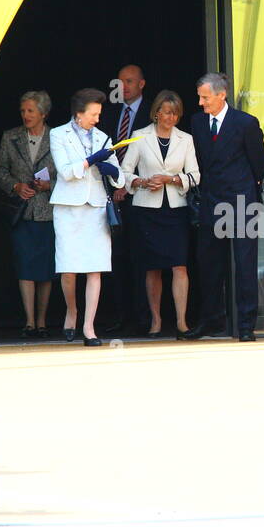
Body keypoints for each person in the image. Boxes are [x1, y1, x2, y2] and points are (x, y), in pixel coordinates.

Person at [184, 72, 264, 342]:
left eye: (205, 97)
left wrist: (250, 192)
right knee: (208, 266)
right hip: (210, 201)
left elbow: (259, 162)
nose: (200, 102)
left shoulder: (245, 123)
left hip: (242, 202)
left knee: (245, 265)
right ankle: (210, 321)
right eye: (199, 97)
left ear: (222, 95)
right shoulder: (197, 123)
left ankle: (246, 326)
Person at [120, 90, 200, 337]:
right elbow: (124, 173)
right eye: (166, 112)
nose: (170, 117)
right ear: (156, 113)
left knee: (179, 266)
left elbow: (195, 175)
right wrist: (143, 183)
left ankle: (181, 322)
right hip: (147, 210)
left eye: (175, 113)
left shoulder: (185, 139)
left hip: (176, 211)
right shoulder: (139, 136)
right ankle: (155, 320)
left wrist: (172, 179)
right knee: (152, 267)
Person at [49, 87, 124, 346]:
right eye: (93, 114)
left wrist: (112, 171)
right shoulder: (58, 134)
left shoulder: (103, 137)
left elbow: (120, 174)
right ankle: (72, 311)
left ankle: (89, 327)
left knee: (96, 268)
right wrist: (90, 160)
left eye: (99, 114)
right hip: (68, 207)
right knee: (68, 268)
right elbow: (65, 171)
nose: (97, 119)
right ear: (78, 114)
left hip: (96, 207)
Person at [0, 90, 56, 338]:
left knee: (46, 268)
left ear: (43, 113)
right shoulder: (11, 137)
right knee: (26, 267)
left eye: (30, 111)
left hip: (48, 210)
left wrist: (50, 185)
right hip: (22, 212)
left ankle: (42, 321)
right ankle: (30, 321)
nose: (26, 115)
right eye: (23, 111)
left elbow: (66, 172)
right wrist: (15, 186)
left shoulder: (57, 137)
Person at [99, 64, 149, 334]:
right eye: (120, 82)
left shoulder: (152, 112)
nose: (124, 87)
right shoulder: (109, 113)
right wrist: (114, 185)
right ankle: (120, 316)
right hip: (112, 196)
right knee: (116, 259)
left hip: (141, 194)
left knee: (140, 258)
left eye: (129, 81)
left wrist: (128, 185)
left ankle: (143, 318)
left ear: (141, 84)